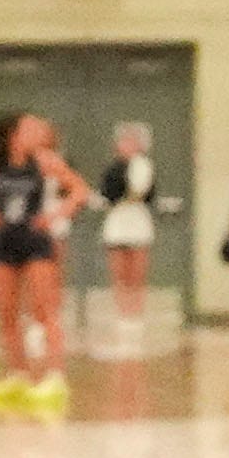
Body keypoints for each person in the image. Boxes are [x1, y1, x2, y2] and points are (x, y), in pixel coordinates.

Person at [0, 111, 86, 400]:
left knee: (45, 309)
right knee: (6, 312)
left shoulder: (43, 161)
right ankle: (18, 373)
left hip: (35, 241)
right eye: (29, 129)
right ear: (13, 135)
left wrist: (57, 213)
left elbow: (79, 189)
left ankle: (55, 375)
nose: (37, 133)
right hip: (3, 240)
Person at [97, 123, 162, 349]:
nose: (127, 145)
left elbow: (147, 193)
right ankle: (122, 314)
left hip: (138, 218)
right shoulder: (112, 168)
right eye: (124, 141)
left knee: (138, 272)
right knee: (119, 272)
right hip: (117, 219)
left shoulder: (145, 166)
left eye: (132, 142)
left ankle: (136, 314)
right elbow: (108, 193)